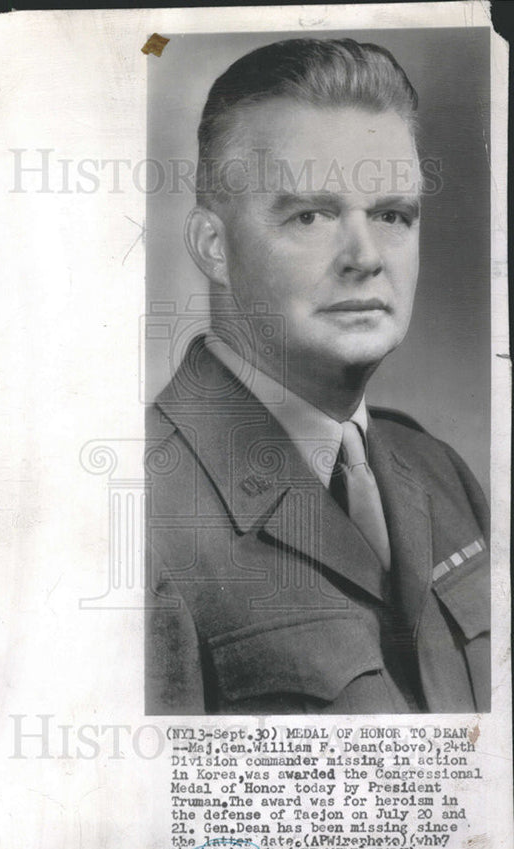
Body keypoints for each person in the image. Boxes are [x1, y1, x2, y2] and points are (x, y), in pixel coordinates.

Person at [144, 38, 490, 715]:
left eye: (392, 215)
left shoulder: (443, 475)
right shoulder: (138, 508)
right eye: (311, 215)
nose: (365, 257)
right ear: (213, 248)